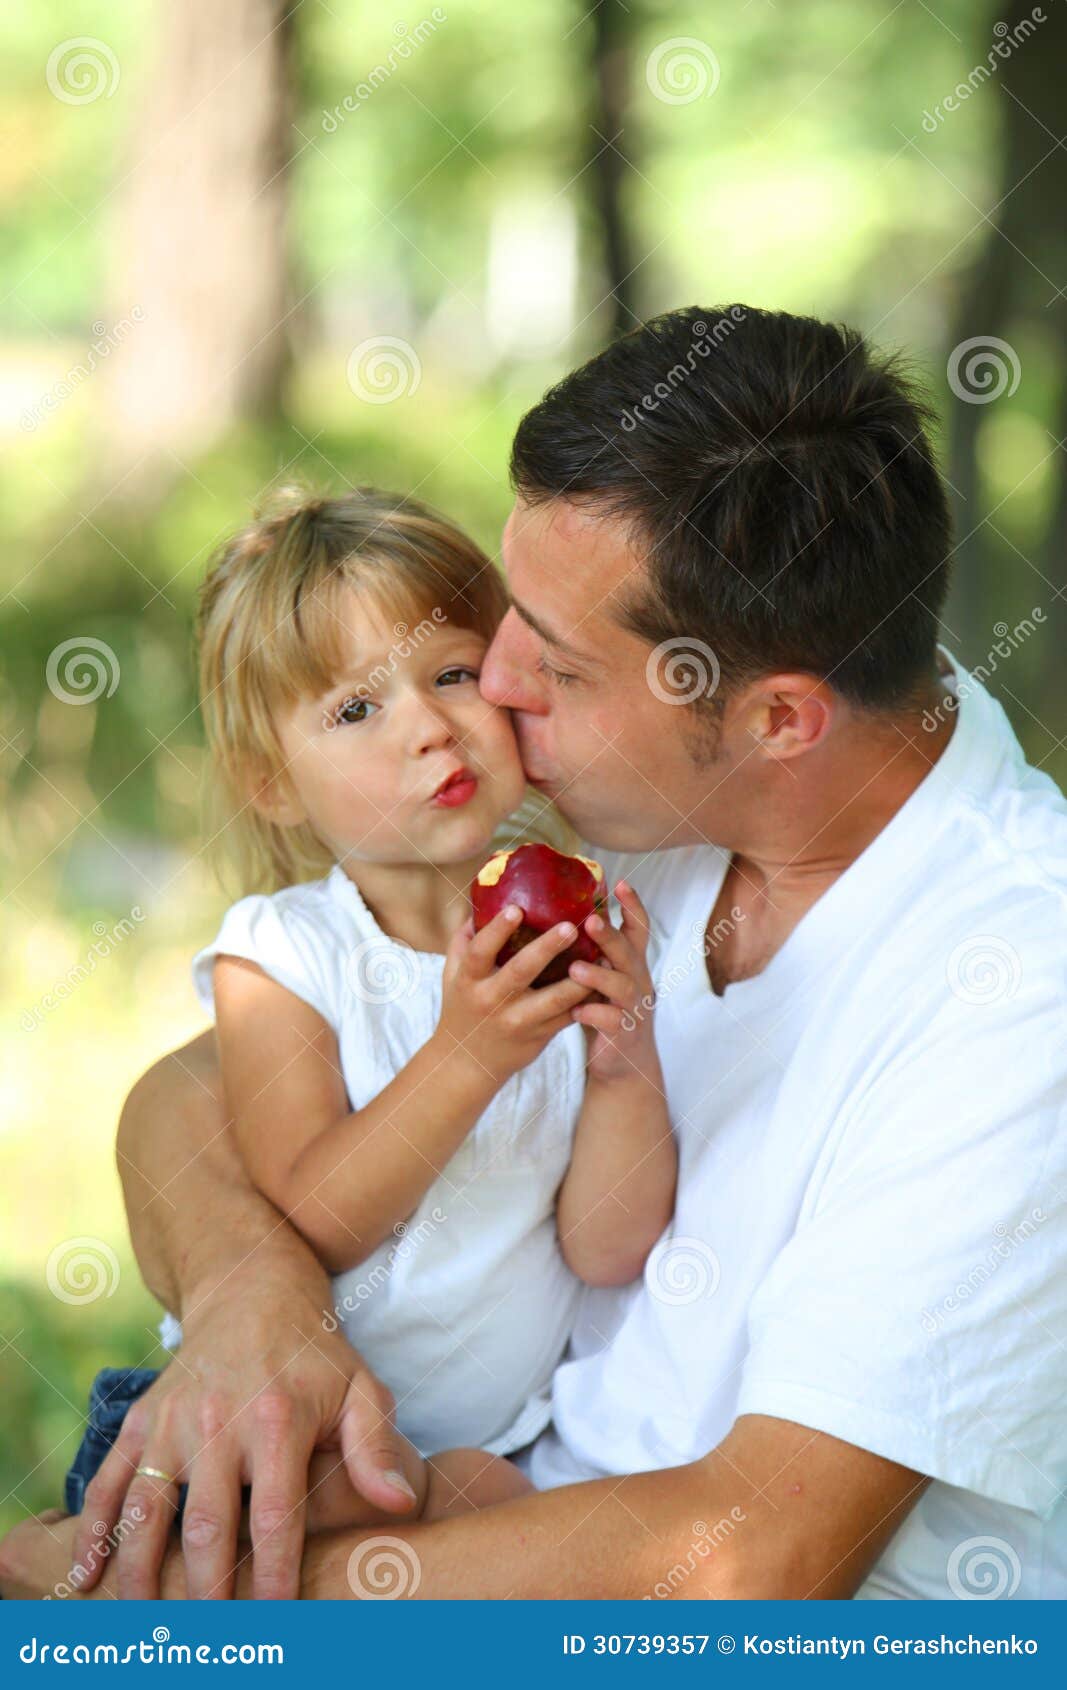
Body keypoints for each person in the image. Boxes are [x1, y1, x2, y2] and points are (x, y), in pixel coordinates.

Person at [3, 304, 1065, 1601]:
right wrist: (247, 1296)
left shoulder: (1015, 984)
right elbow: (190, 1091)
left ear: (777, 718)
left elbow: (754, 1556)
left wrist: (204, 1597)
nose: (486, 690)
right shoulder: (621, 800)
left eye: (549, 665)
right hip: (463, 1501)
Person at [60, 489, 677, 1540]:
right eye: (357, 709)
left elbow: (604, 1249)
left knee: (496, 1493)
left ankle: (92, 1567)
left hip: (477, 1453)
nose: (428, 727)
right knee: (443, 1502)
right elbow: (321, 1216)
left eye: (449, 675)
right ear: (273, 784)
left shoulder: (566, 915)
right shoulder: (286, 956)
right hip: (268, 1434)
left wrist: (624, 1069)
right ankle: (88, 1555)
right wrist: (465, 1054)